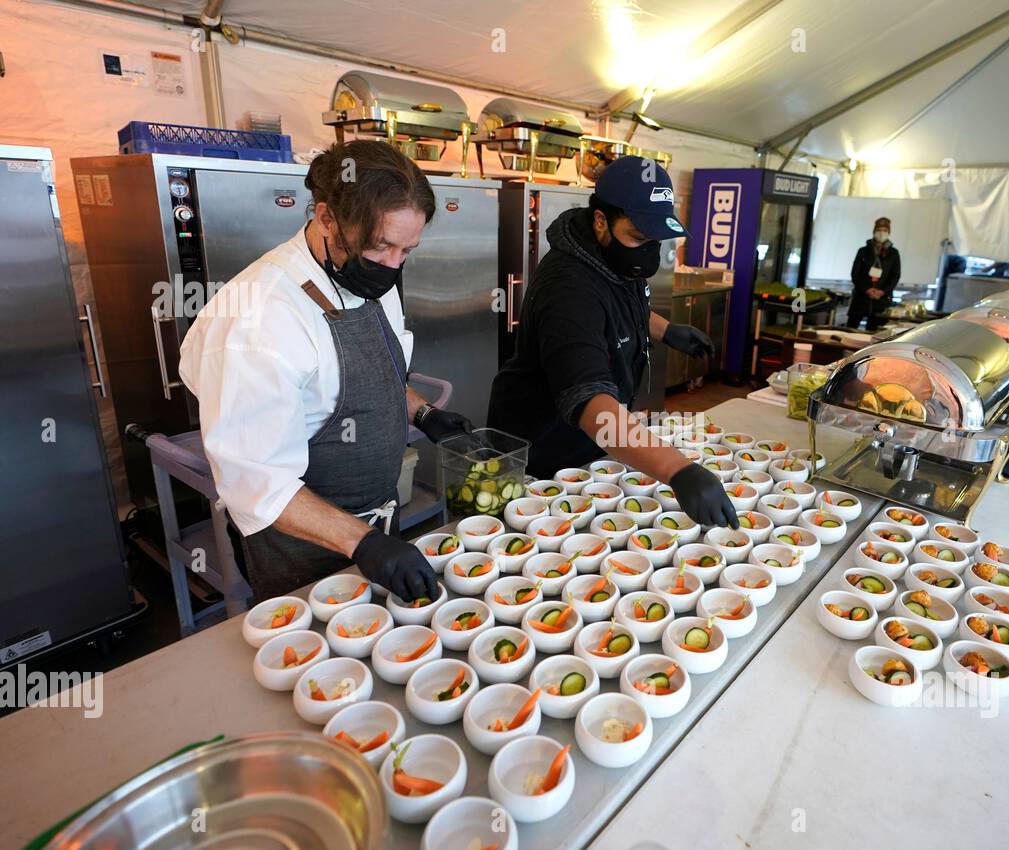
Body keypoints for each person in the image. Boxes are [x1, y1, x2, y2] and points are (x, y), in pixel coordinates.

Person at [179, 140, 473, 602]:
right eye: (381, 247)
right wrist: (363, 542)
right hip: (300, 550)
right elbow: (255, 481)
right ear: (326, 217)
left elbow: (362, 381)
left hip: (376, 523)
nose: (393, 267)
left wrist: (421, 414)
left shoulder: (367, 275)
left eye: (407, 251)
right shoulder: (257, 317)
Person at [487, 156, 737, 530]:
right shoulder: (567, 288)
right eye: (639, 237)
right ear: (601, 220)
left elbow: (619, 310)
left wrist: (666, 330)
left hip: (593, 445)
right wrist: (676, 469)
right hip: (543, 451)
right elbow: (588, 402)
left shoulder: (616, 256)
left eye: (656, 239)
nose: (648, 250)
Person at [847, 217, 901, 331]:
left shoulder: (893, 253)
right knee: (851, 328)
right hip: (861, 297)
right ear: (874, 231)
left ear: (889, 232)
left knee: (875, 331)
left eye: (885, 230)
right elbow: (855, 274)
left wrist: (882, 291)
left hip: (881, 300)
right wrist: (866, 289)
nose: (881, 233)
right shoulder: (863, 251)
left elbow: (895, 276)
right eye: (879, 229)